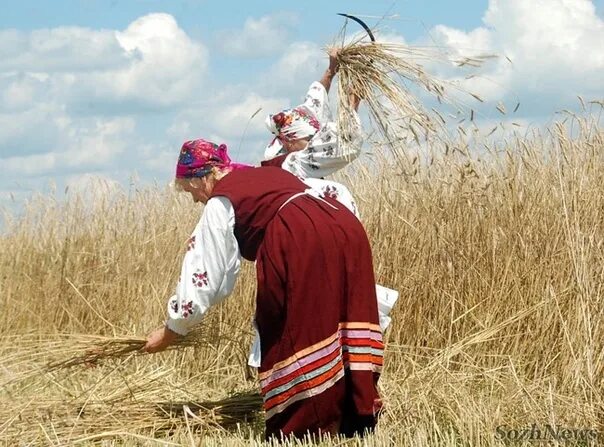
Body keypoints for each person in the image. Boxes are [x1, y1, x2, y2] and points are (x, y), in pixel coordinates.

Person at [145, 139, 384, 440]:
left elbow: (204, 272)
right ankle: (355, 412)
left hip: (302, 239)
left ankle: (307, 425)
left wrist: (173, 328)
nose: (194, 199)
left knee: (293, 326)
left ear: (202, 176)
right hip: (344, 227)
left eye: (190, 190)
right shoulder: (269, 173)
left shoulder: (221, 201)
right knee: (338, 317)